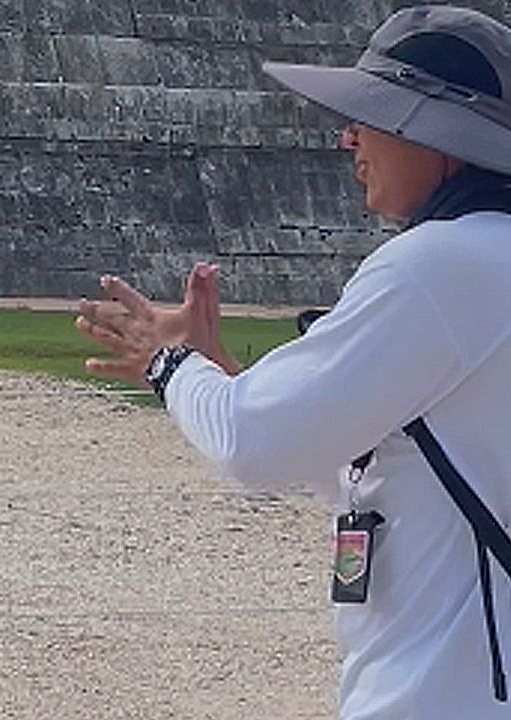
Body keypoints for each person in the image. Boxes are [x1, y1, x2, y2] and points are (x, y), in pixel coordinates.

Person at [76, 5, 511, 719]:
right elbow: (381, 460)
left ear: (434, 133)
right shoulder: (487, 266)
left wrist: (172, 365)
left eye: (372, 117)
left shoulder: (436, 268)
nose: (348, 139)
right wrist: (222, 372)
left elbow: (254, 446)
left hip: (437, 694)